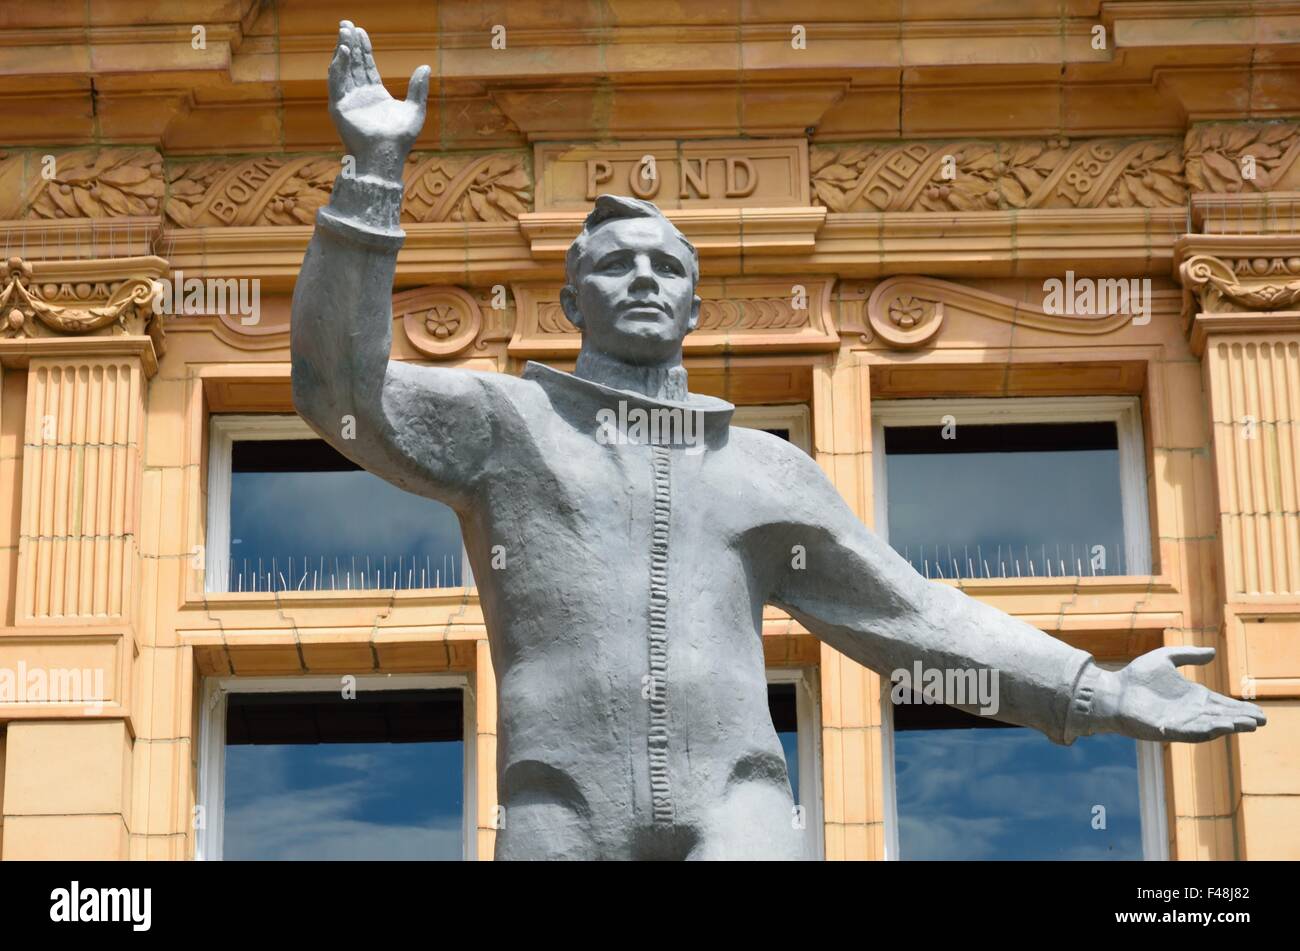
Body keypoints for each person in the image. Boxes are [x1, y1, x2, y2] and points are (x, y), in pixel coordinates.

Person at [291, 21, 1267, 860]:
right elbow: (340, 392)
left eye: (664, 268)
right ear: (570, 299)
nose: (642, 279)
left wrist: (1094, 689)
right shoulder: (507, 426)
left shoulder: (761, 469)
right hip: (557, 799)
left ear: (692, 306)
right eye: (616, 265)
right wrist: (372, 178)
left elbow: (916, 622)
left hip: (737, 801)